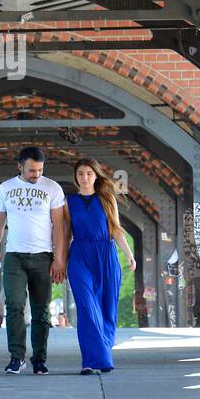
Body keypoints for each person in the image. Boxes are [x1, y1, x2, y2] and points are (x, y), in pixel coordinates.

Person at [0, 146, 66, 374]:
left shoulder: (52, 188)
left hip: (43, 256)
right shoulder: (6, 188)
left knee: (41, 310)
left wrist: (59, 258)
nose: (37, 175)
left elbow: (59, 227)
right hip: (14, 256)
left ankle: (39, 359)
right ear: (19, 167)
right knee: (14, 305)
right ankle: (16, 357)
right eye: (32, 171)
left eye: (40, 170)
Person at [62, 159, 135, 375]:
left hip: (105, 255)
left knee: (107, 309)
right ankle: (91, 361)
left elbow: (116, 229)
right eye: (81, 174)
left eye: (89, 174)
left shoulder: (107, 199)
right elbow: (66, 233)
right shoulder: (69, 202)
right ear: (76, 177)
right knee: (86, 308)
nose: (84, 178)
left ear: (96, 176)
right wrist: (60, 260)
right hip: (79, 256)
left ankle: (102, 350)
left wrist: (129, 254)